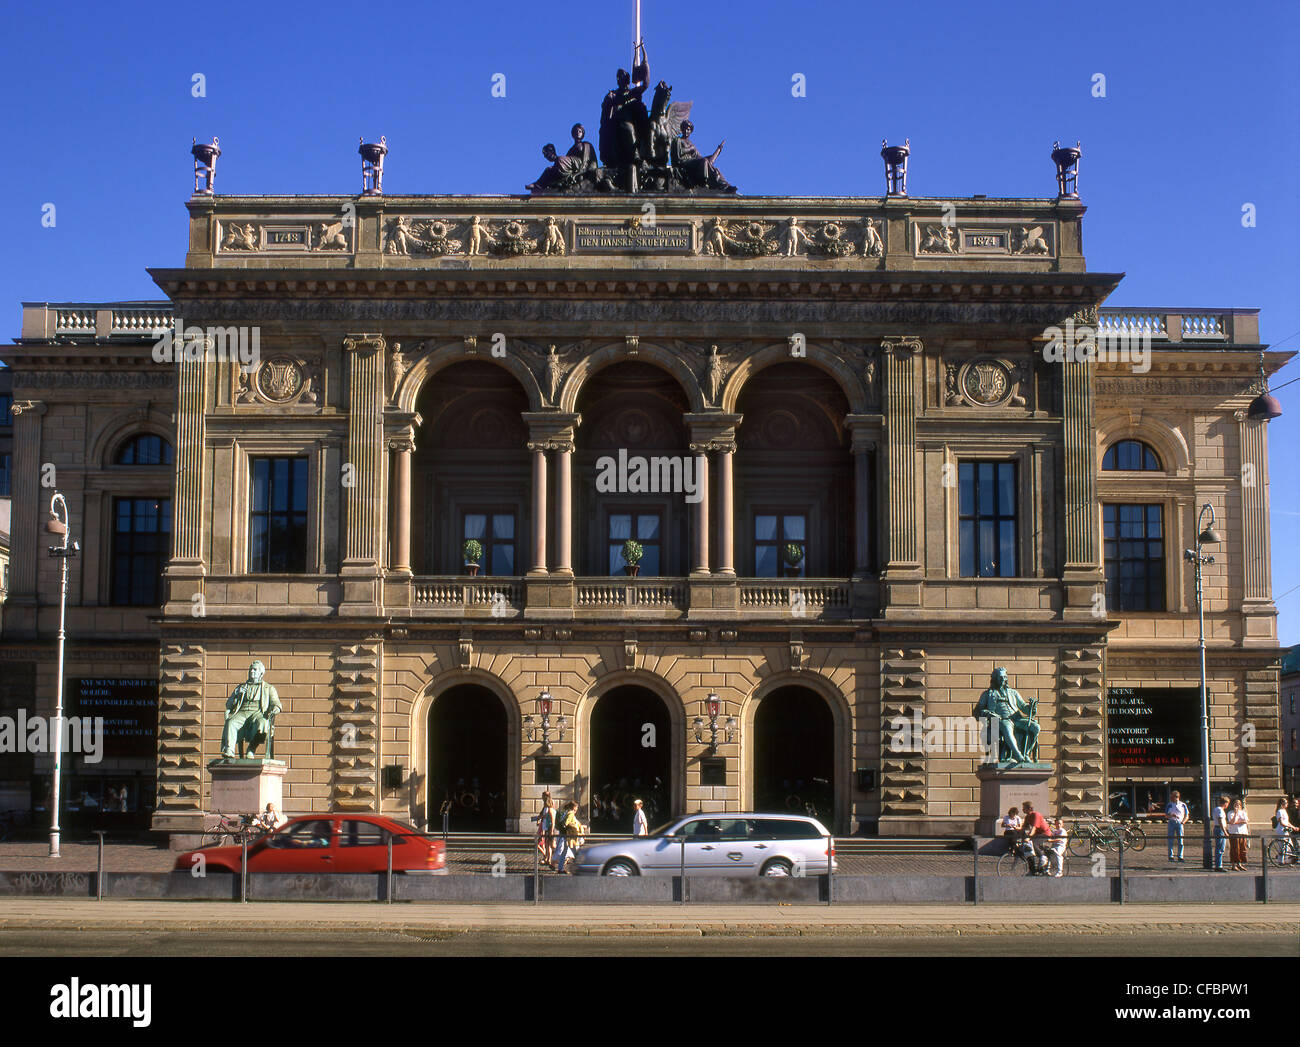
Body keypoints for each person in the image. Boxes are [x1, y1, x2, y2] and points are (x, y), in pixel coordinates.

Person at [1019, 800, 1051, 874]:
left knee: (1033, 843)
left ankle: (1043, 857)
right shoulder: (1027, 817)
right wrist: (1017, 835)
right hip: (1036, 834)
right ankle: (1032, 870)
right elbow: (1023, 828)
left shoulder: (1036, 815)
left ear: (1030, 808)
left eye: (1024, 808)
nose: (1022, 810)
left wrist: (1028, 837)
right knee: (1027, 850)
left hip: (1045, 833)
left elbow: (1033, 828)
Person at [1165, 790, 1189, 862]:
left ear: (1176, 797)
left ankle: (1180, 856)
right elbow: (1166, 815)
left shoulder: (1182, 805)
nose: (1171, 798)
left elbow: (1187, 815)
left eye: (1172, 797)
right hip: (1172, 821)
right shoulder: (1169, 805)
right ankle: (1170, 856)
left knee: (1180, 840)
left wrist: (1183, 822)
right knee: (1170, 840)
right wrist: (1171, 815)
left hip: (1179, 822)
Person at [1227, 798, 1249, 870]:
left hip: (1243, 832)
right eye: (1236, 804)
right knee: (1235, 849)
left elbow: (1246, 821)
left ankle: (1239, 864)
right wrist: (1236, 814)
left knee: (1242, 849)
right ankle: (1233, 865)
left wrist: (1237, 822)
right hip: (1234, 832)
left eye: (1238, 804)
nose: (1237, 806)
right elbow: (1232, 822)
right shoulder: (1230, 813)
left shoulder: (1243, 812)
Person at [1273, 797, 1297, 865]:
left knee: (1289, 845)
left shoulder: (1284, 811)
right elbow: (1281, 822)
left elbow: (1287, 821)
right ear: (1282, 804)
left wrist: (1293, 827)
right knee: (1282, 845)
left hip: (1285, 829)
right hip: (1281, 829)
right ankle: (1281, 861)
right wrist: (1289, 826)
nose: (1287, 804)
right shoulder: (1279, 811)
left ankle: (1287, 860)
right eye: (1286, 803)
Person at [1212, 795, 1230, 871]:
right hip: (1220, 829)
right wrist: (1225, 831)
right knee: (1220, 848)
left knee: (1219, 847)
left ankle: (1218, 864)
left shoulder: (1216, 809)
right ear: (1225, 803)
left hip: (1217, 828)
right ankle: (1218, 866)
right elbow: (1220, 821)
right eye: (1228, 803)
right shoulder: (1220, 810)